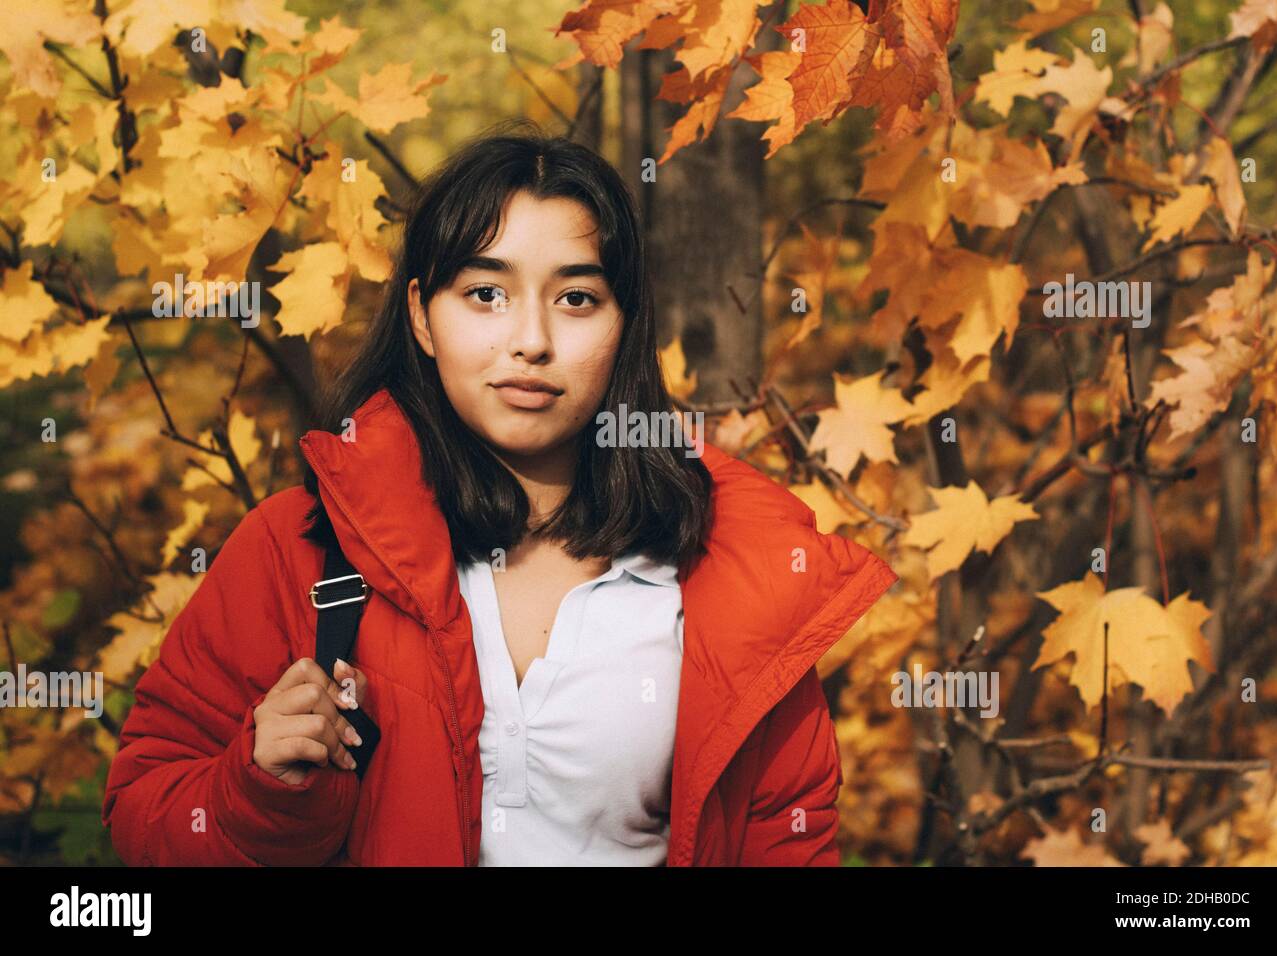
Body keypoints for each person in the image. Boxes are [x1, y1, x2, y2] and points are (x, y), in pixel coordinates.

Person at [101, 120, 898, 866]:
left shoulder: (731, 573)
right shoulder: (303, 547)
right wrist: (258, 789)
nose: (531, 340)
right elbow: (146, 811)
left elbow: (786, 842)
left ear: (624, 325)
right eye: (486, 294)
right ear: (421, 316)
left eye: (576, 298)